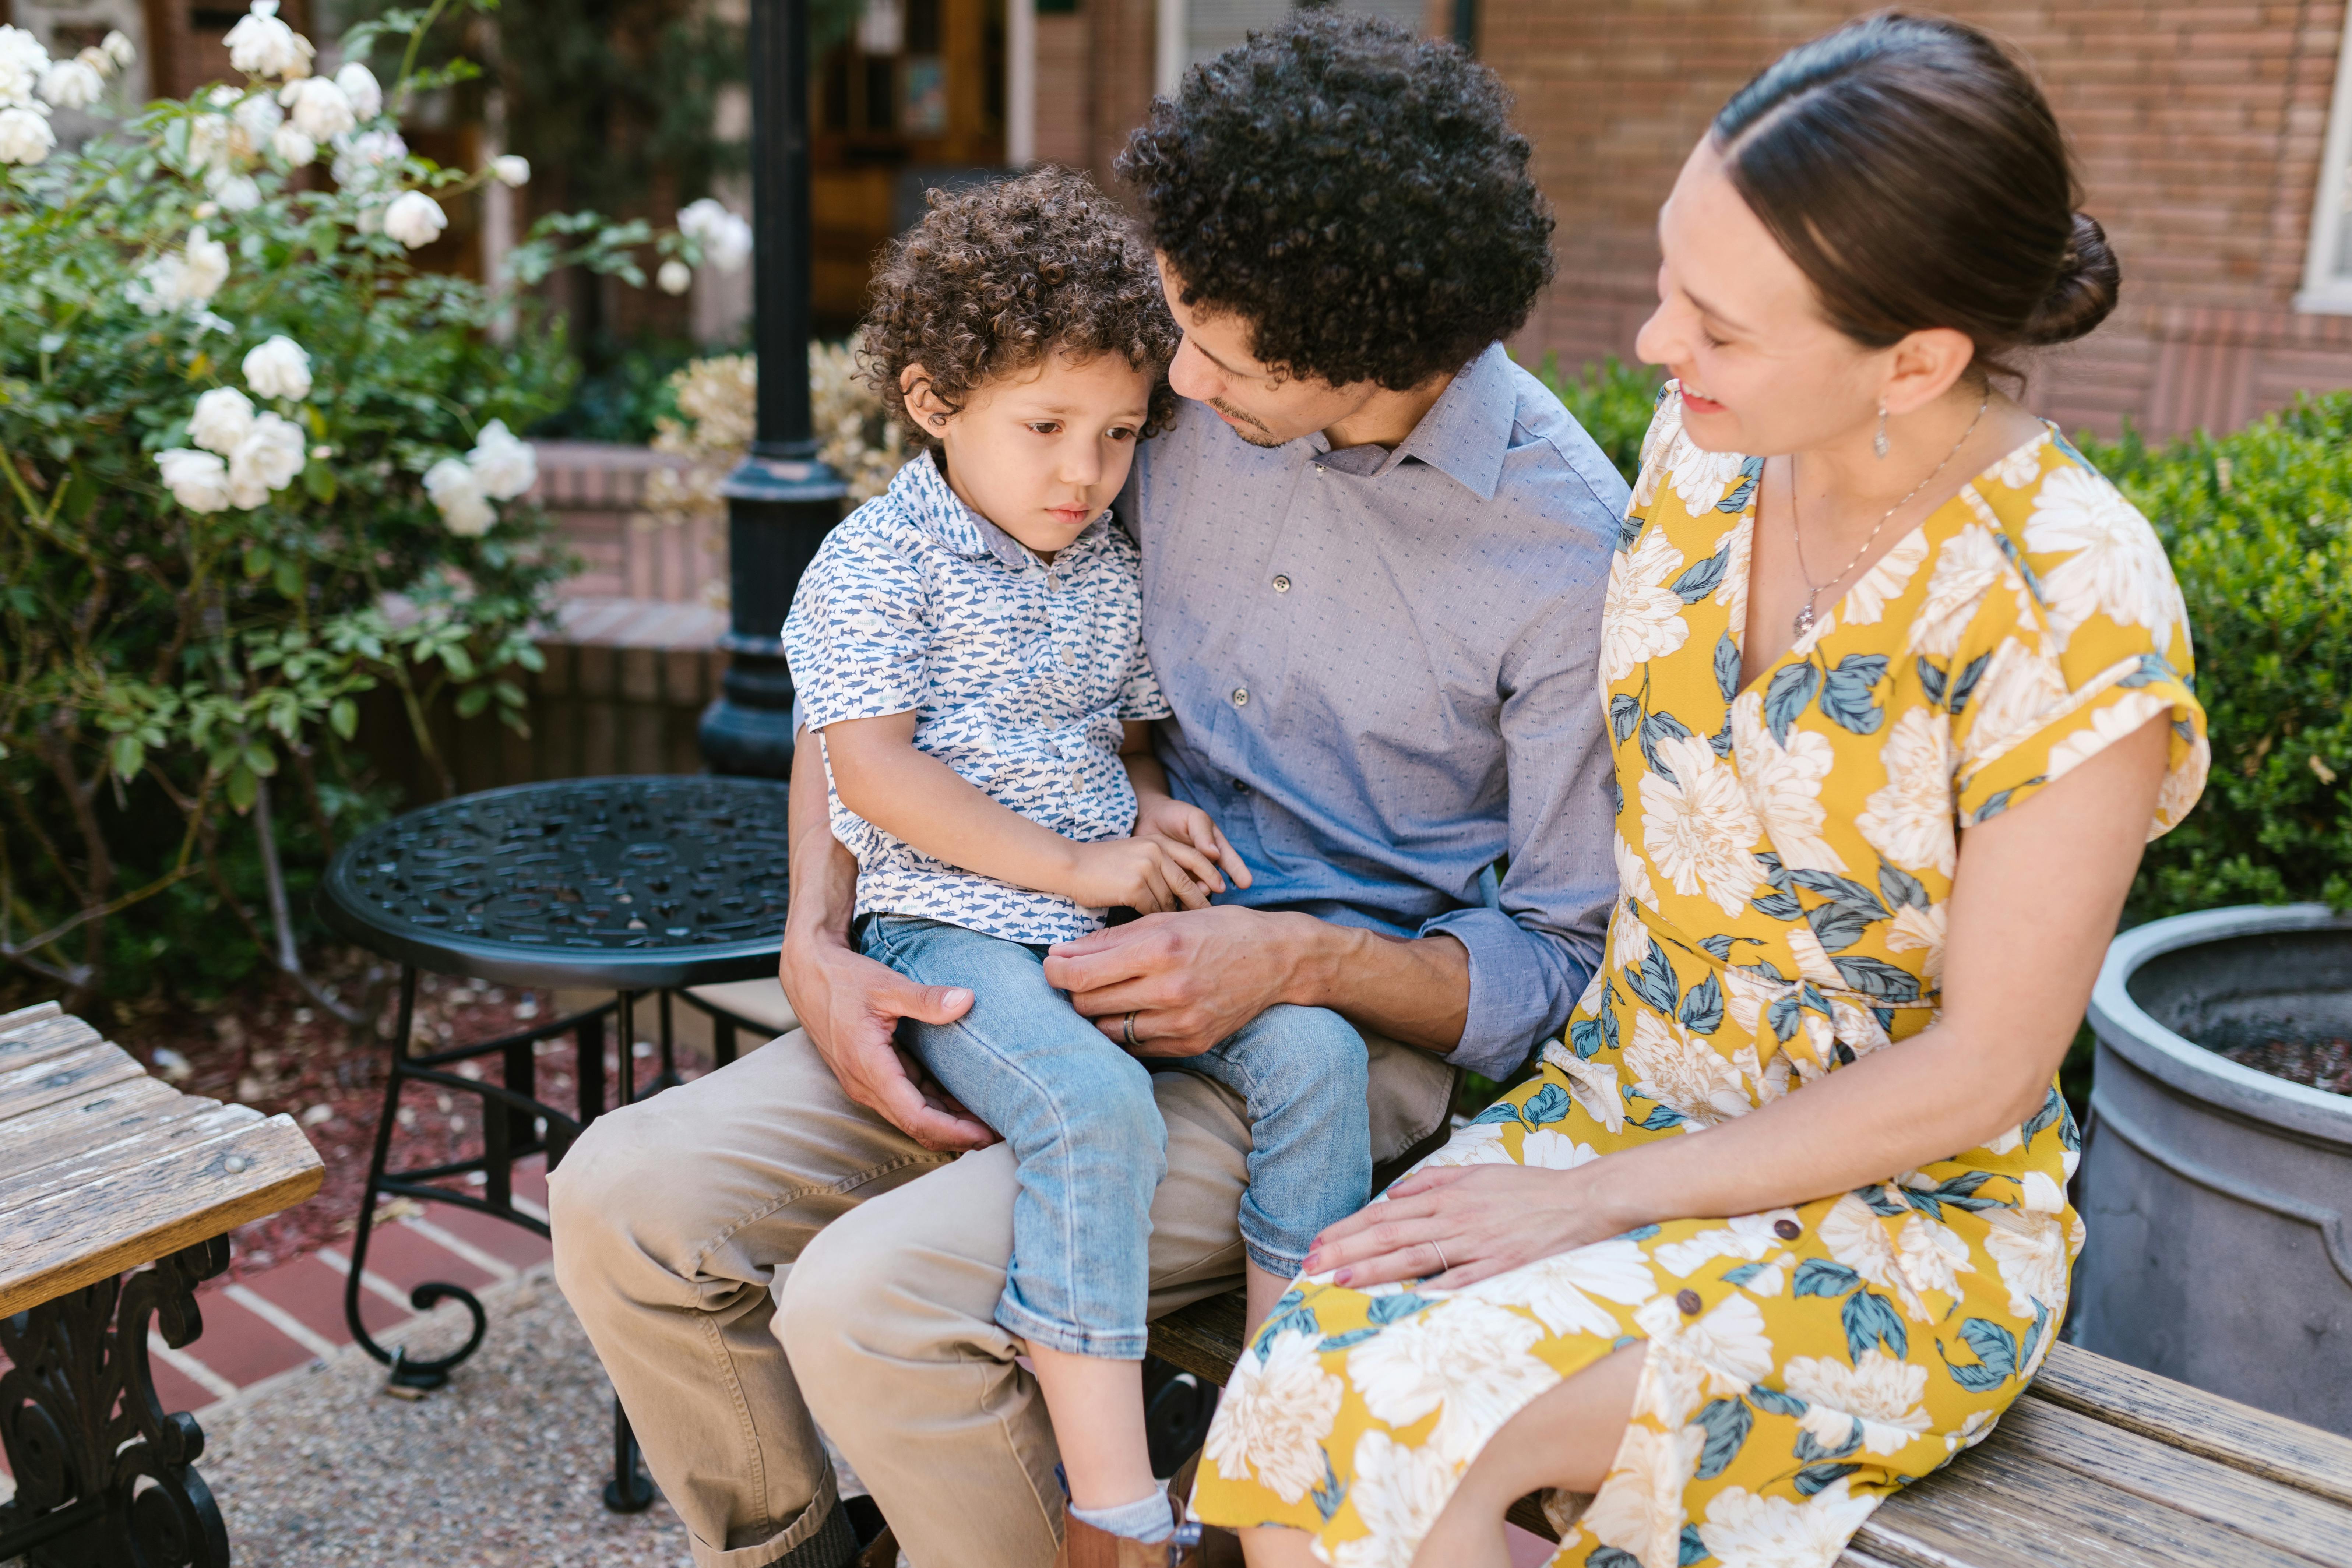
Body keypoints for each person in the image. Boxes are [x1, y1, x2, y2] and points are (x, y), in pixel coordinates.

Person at [548, 15, 1625, 1568]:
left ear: (1368, 355)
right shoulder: (1149, 410)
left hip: (1319, 1051)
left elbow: (1559, 958)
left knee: (874, 1304)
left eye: (1218, 356)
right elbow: (878, 672)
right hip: (1034, 947)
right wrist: (817, 939)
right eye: (1175, 330)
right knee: (623, 1201)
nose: (1170, 382)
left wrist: (1292, 959)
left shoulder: (1564, 554)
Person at [1188, 14, 2212, 1568]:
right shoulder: (1702, 450)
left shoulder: (2069, 602)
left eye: (1717, 325)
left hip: (1894, 1218)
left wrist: (1597, 1202)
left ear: (1915, 359)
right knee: (1294, 1380)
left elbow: (1987, 1073)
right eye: (1669, 278)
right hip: (1618, 1100)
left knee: (1406, 1419)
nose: (1658, 345)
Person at [781, 167, 1373, 1568]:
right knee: (1097, 1107)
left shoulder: (1100, 561)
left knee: (1319, 1058)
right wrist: (1079, 860)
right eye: (1043, 428)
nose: (1082, 472)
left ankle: (1272, 1441)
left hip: (1097, 909)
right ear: (933, 402)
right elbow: (870, 771)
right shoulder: (878, 563)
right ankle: (1117, 1513)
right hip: (950, 932)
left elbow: (1123, 738)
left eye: (1116, 434)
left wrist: (1152, 818)